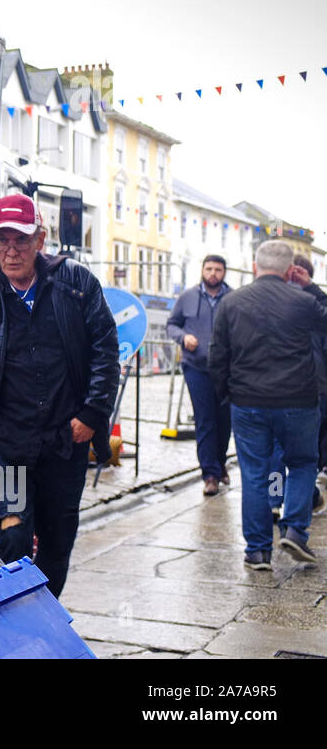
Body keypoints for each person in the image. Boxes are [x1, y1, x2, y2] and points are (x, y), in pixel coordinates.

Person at [0, 193, 119, 598]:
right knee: (13, 539)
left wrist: (93, 413)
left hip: (65, 439)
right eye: (2, 240)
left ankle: (45, 615)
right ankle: (16, 617)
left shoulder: (76, 283)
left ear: (40, 239)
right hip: (9, 442)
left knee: (57, 546)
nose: (11, 251)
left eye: (21, 240)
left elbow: (105, 349)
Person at [209, 240, 327, 569]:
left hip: (248, 402)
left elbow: (217, 356)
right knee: (303, 464)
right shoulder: (303, 302)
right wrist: (313, 288)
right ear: (292, 270)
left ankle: (258, 550)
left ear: (254, 266)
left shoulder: (231, 303)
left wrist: (227, 396)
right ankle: (294, 529)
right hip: (299, 401)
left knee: (255, 474)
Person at [266, 254, 327, 521]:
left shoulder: (314, 306)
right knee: (291, 455)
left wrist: (311, 287)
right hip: (287, 389)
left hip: (309, 389)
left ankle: (284, 502)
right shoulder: (273, 300)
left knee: (296, 455)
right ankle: (279, 502)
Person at [166, 254, 232, 495]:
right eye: (209, 268)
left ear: (224, 273)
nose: (213, 273)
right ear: (202, 270)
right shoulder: (187, 297)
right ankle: (210, 475)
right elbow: (171, 324)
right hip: (196, 367)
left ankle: (220, 462)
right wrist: (183, 337)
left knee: (224, 421)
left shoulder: (233, 298)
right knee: (205, 420)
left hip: (226, 370)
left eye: (218, 269)